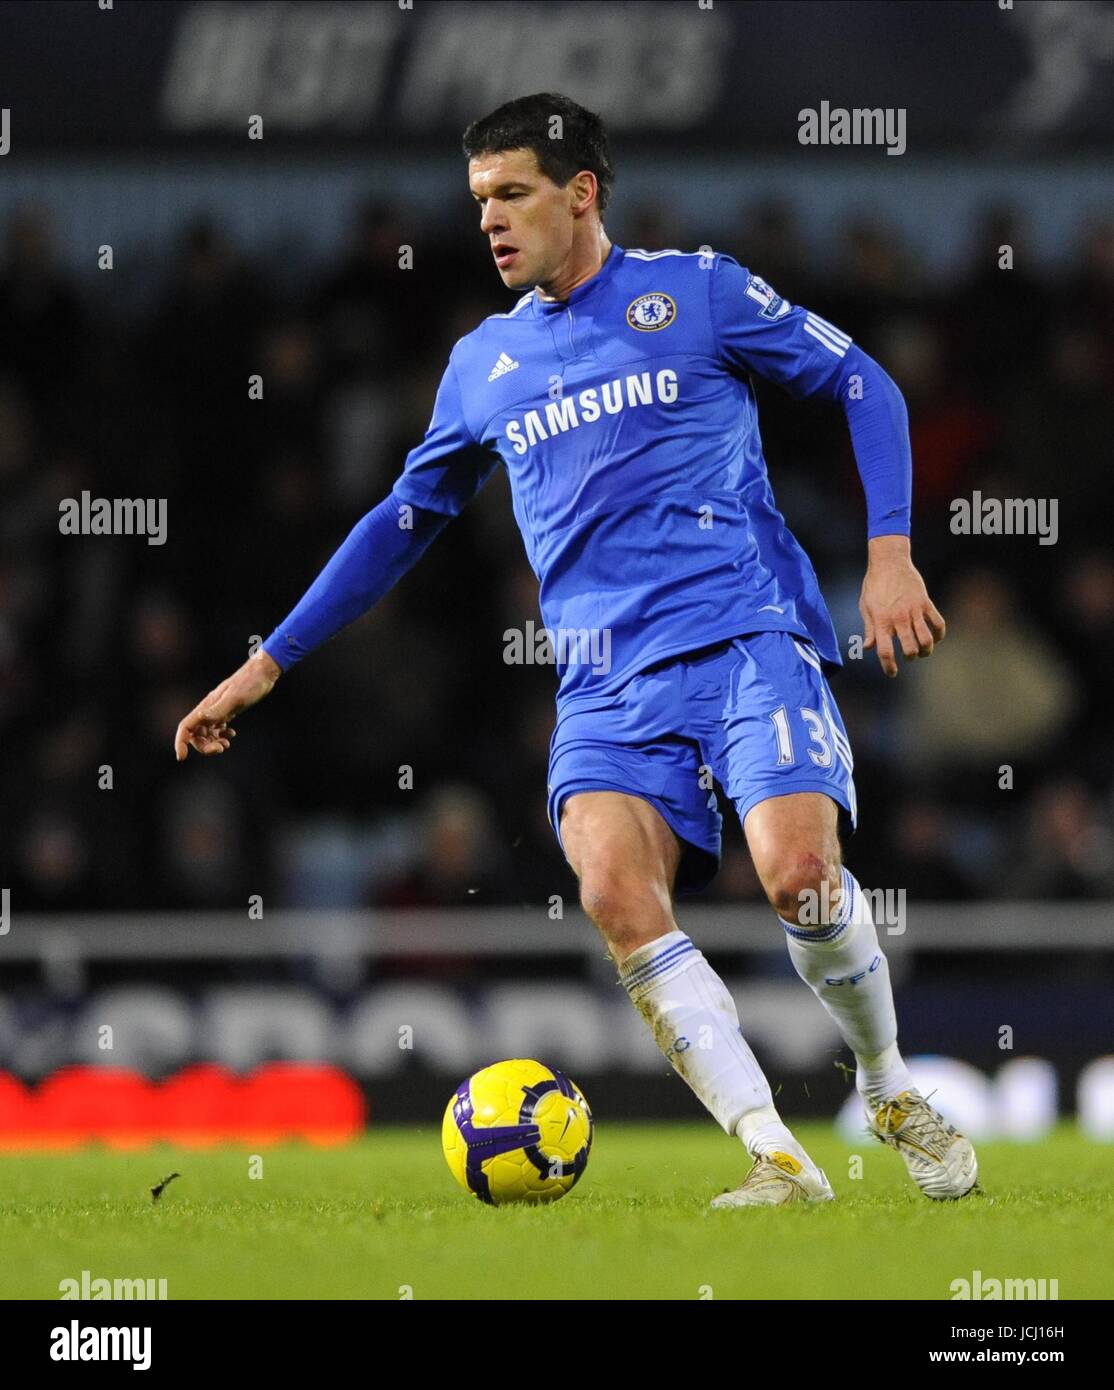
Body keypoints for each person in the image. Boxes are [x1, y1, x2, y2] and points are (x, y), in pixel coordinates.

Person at [175, 93, 975, 1207]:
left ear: (581, 193)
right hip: (602, 681)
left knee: (798, 876)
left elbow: (862, 381)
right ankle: (776, 1154)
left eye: (512, 194)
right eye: (478, 202)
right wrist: (267, 663)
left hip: (747, 634)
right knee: (611, 889)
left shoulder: (697, 290)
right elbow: (402, 521)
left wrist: (889, 555)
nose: (491, 221)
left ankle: (886, 1085)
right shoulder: (481, 365)